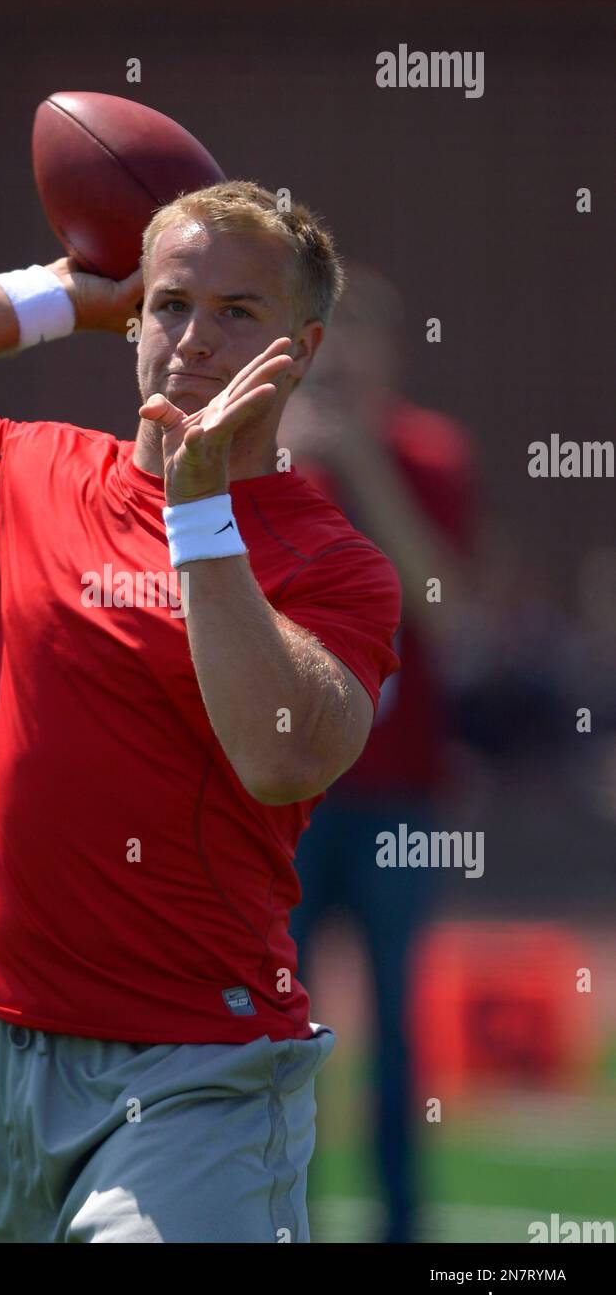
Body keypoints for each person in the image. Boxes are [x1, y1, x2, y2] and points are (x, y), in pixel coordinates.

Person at [0, 180, 402, 1243]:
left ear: (296, 351)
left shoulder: (335, 564)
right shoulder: (31, 472)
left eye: (236, 313)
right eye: (169, 306)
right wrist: (62, 294)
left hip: (195, 1063)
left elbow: (278, 758)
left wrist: (200, 511)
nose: (194, 337)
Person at [277, 263, 478, 1243]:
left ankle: (403, 1229)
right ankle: (282, 1218)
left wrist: (362, 459)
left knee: (397, 1029)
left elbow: (443, 602)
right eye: (327, 336)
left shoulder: (427, 455)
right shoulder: (268, 457)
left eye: (360, 337)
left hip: (400, 796)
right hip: (289, 797)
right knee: (275, 1031)